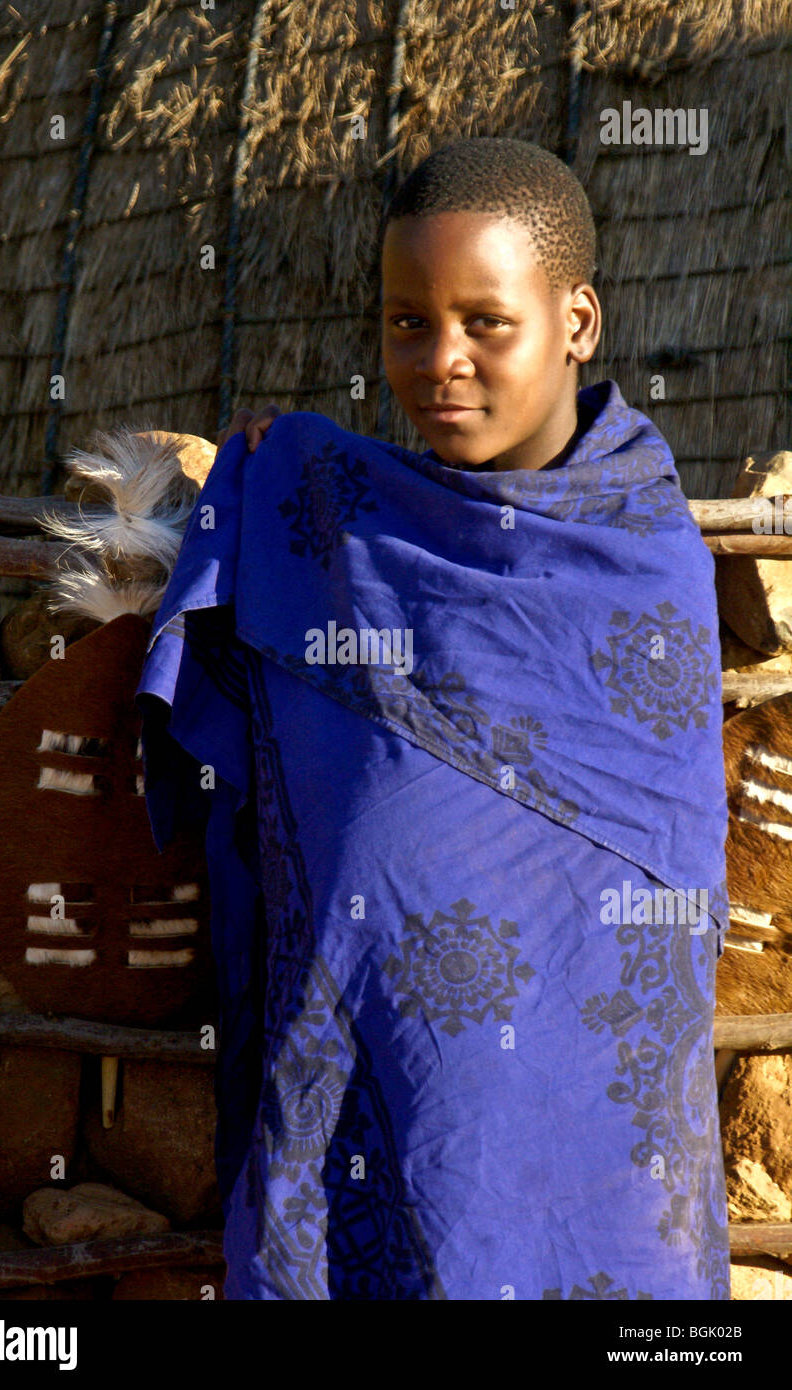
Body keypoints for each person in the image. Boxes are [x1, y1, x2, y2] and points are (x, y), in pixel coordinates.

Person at [135, 137, 731, 1300]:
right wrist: (265, 467)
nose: (439, 361)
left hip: (594, 1127)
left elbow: (657, 873)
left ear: (576, 321)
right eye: (406, 324)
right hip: (369, 1082)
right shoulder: (341, 520)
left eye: (483, 323)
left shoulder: (643, 561)